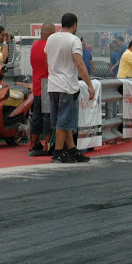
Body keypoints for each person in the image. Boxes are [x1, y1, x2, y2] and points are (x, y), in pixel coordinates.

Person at [44, 12, 94, 163]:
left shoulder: (51, 38)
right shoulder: (74, 40)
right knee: (64, 121)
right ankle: (58, 152)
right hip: (67, 85)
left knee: (60, 120)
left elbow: (47, 60)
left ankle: (72, 150)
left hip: (53, 84)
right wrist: (89, 85)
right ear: (75, 25)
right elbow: (79, 63)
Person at [29, 22, 55, 156]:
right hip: (47, 84)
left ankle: (33, 142)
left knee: (36, 115)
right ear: (50, 33)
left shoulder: (34, 46)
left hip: (36, 84)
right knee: (47, 115)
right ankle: (48, 143)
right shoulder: (48, 47)